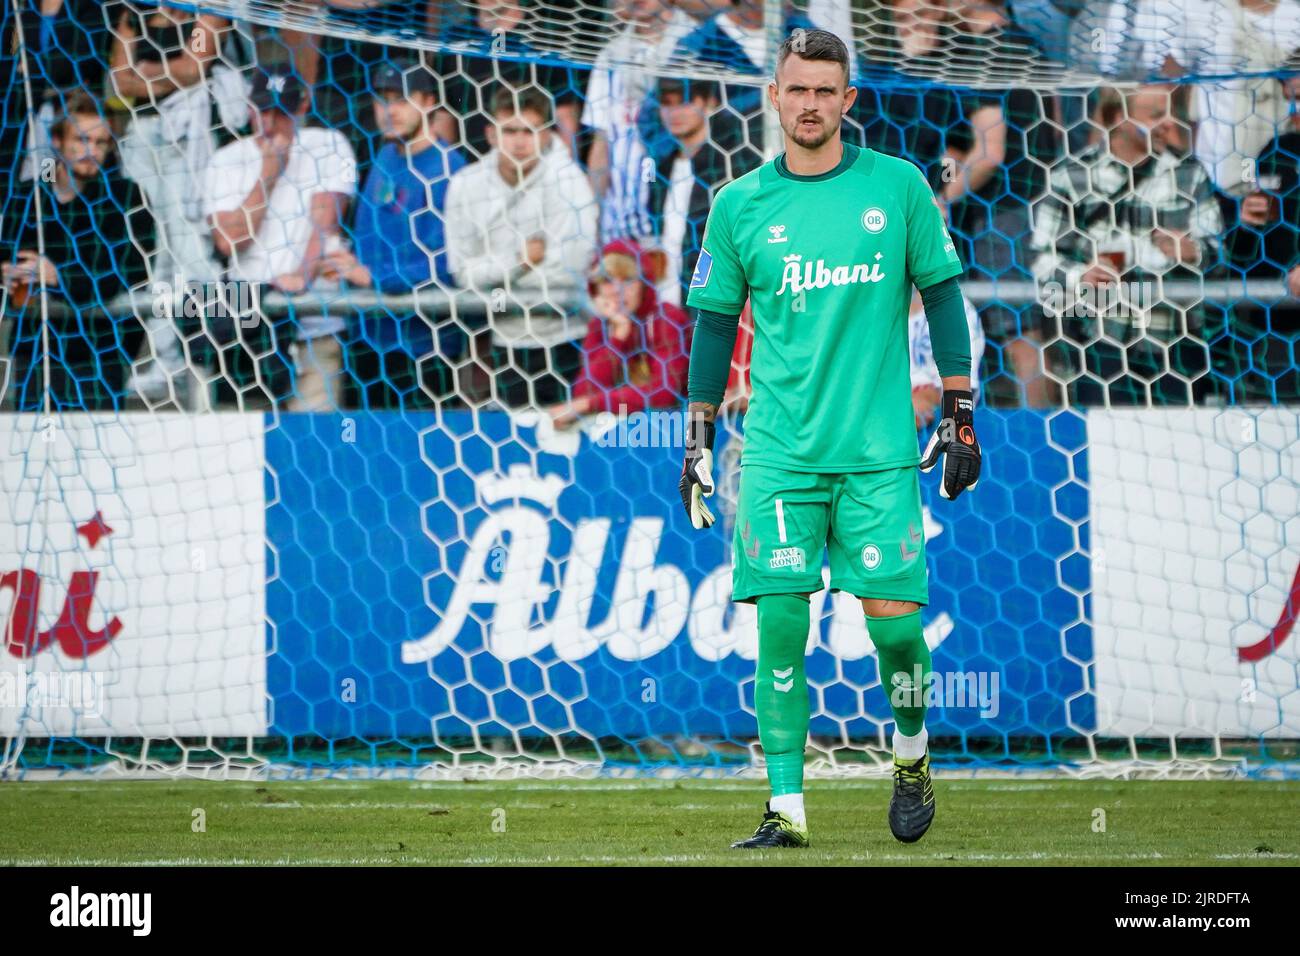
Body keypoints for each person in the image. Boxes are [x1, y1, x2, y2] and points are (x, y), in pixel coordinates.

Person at [680, 29, 980, 848]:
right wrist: (698, 432)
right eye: (796, 89)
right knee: (779, 623)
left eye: (825, 90)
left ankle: (912, 756)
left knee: (893, 628)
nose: (809, 104)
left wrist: (960, 408)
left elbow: (945, 297)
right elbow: (712, 327)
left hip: (879, 454)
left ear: (848, 101)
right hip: (778, 452)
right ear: (772, 97)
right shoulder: (741, 204)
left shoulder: (899, 187)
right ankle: (786, 808)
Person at [1029, 84, 1223, 406]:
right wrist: (1081, 276)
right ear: (1119, 118)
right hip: (1101, 340)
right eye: (1155, 115)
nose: (1169, 123)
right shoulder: (1071, 176)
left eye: (1171, 113)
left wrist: (1195, 252)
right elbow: (1041, 259)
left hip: (1175, 342)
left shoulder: (1190, 175)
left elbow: (1221, 255)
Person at [204, 66, 358, 410]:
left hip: (313, 327)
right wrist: (269, 174)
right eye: (263, 110)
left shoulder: (328, 144)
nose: (270, 123)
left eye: (281, 111)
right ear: (248, 108)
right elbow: (228, 242)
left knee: (316, 446)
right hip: (249, 333)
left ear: (302, 106)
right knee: (242, 450)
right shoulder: (225, 160)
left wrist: (300, 277)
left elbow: (326, 221)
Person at [443, 85, 598, 408]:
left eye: (529, 130)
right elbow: (461, 273)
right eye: (509, 130)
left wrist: (494, 277)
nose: (519, 141)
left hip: (565, 338)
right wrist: (519, 262)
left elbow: (570, 270)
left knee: (564, 445)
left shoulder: (570, 183)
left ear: (545, 135)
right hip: (498, 340)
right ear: (490, 133)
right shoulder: (466, 185)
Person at [326, 60, 468, 410]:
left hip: (421, 347)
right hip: (367, 339)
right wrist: (343, 265)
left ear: (429, 102)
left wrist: (373, 276)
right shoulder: (384, 157)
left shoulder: (450, 171)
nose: (390, 111)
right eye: (383, 99)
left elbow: (448, 268)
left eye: (403, 100)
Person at [3, 93, 154, 410]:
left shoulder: (127, 198)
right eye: (82, 140)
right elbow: (10, 260)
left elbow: (121, 276)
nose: (92, 151)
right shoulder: (28, 198)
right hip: (37, 352)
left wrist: (57, 276)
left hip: (100, 354)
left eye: (101, 143)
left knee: (97, 455)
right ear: (57, 141)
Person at [548, 239, 690, 425]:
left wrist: (591, 403)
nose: (617, 291)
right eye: (607, 281)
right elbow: (584, 393)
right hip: (622, 436)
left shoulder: (668, 320)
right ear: (595, 288)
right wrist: (618, 336)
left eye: (628, 280)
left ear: (645, 284)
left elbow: (662, 395)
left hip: (674, 433)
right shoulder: (600, 325)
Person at [647, 76, 761, 307]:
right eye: (667, 103)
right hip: (666, 309)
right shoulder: (661, 168)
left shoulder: (731, 168)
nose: (675, 112)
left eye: (685, 101)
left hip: (710, 304)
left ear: (709, 102)